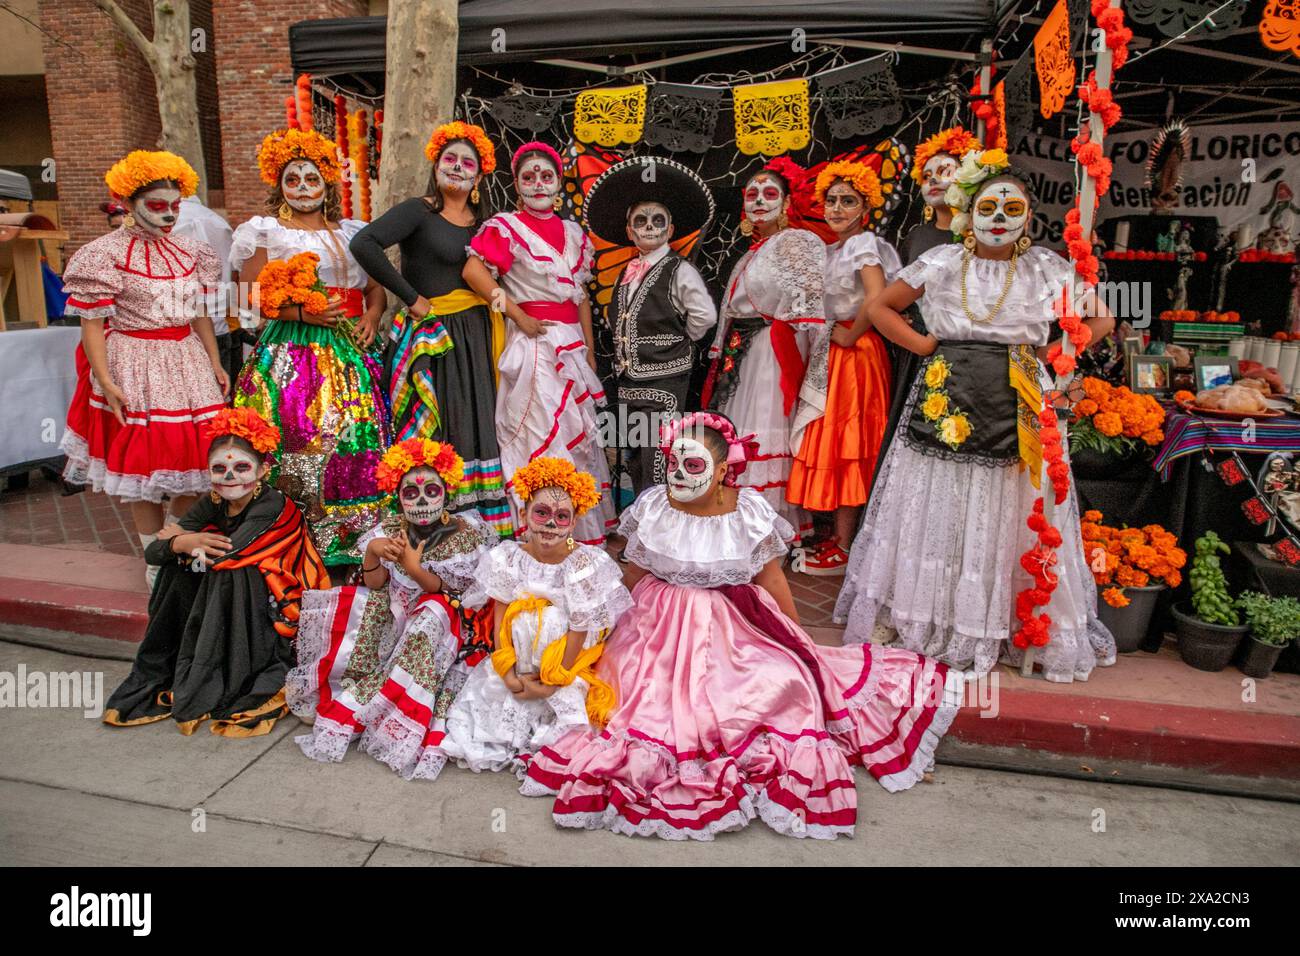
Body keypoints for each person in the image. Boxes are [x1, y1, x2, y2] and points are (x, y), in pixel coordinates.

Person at [521, 412, 960, 840]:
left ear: (721, 471)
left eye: (693, 466)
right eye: (673, 463)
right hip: (656, 626)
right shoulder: (654, 506)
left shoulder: (748, 512)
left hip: (731, 626)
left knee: (783, 682)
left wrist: (798, 636)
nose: (679, 475)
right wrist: (609, 628)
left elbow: (771, 579)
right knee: (639, 700)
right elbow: (634, 574)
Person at [834, 152, 1118, 683]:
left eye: (1012, 208)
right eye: (988, 207)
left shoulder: (1047, 267)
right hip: (948, 388)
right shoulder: (942, 260)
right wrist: (922, 344)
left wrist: (1054, 356)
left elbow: (1100, 318)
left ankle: (997, 621)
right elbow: (880, 308)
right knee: (939, 498)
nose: (999, 218)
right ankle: (929, 614)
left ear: (1029, 216)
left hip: (1021, 393)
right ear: (970, 213)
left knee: (1010, 502)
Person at [59, 150, 228, 587]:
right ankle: (155, 558)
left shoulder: (191, 251)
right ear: (128, 202)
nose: (169, 214)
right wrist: (105, 380)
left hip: (187, 359)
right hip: (134, 361)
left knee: (198, 463)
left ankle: (172, 542)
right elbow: (92, 325)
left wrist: (214, 361)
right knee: (143, 470)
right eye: (157, 205)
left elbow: (199, 313)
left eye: (175, 205)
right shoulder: (103, 254)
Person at [103, 408, 328, 736]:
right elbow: (154, 554)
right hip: (233, 586)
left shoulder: (272, 505)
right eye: (219, 469)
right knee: (179, 568)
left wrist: (182, 541)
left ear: (263, 470)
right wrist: (182, 543)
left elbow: (227, 555)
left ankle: (230, 669)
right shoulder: (214, 500)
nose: (230, 477)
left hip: (281, 602)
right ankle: (195, 660)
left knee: (231, 572)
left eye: (241, 468)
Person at [288, 438, 499, 780]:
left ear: (446, 493)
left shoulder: (463, 534)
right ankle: (366, 692)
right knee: (358, 599)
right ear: (398, 497)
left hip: (445, 619)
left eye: (431, 491)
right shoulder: (389, 529)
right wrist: (373, 552)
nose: (422, 501)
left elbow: (452, 593)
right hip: (396, 616)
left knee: (432, 609)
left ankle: (394, 706)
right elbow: (376, 584)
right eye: (411, 493)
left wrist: (414, 568)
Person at [230, 128, 390, 573]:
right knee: (297, 435)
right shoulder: (264, 232)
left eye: (311, 179)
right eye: (293, 179)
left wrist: (373, 315)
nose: (302, 188)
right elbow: (245, 296)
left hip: (349, 350)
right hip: (291, 353)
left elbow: (375, 288)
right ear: (279, 185)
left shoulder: (353, 233)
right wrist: (300, 313)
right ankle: (288, 537)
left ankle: (352, 539)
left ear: (327, 184)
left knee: (352, 437)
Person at [350, 122, 513, 538]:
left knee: (478, 422)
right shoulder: (418, 211)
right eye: (449, 159)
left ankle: (481, 529)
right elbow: (364, 243)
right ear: (436, 166)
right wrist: (410, 296)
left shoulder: (488, 223)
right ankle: (430, 525)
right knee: (439, 424)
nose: (457, 167)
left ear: (479, 177)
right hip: (432, 336)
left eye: (467, 163)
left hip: (479, 336)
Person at [462, 141, 616, 544]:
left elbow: (580, 297)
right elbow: (474, 273)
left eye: (546, 176)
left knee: (577, 434)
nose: (538, 183)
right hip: (534, 341)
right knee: (540, 429)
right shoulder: (505, 227)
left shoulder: (573, 233)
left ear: (558, 183)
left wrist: (589, 350)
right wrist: (517, 315)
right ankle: (540, 532)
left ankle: (576, 529)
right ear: (516, 184)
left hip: (572, 347)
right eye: (528, 177)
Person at [440, 457, 632, 775]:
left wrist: (553, 683)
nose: (551, 524)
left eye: (562, 517)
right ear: (523, 514)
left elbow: (580, 628)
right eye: (541, 513)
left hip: (563, 667)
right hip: (520, 662)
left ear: (574, 522)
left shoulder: (584, 564)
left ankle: (546, 700)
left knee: (553, 619)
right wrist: (508, 672)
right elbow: (500, 619)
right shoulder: (508, 558)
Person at [702, 158, 826, 542]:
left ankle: (766, 528)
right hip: (744, 349)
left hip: (770, 352)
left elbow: (810, 304)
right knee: (740, 428)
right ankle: (739, 519)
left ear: (786, 203)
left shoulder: (795, 242)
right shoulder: (753, 251)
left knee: (761, 425)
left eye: (769, 193)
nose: (758, 201)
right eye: (752, 194)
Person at [787, 158, 900, 575]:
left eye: (847, 201)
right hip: (833, 350)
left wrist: (851, 336)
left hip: (856, 351)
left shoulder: (864, 245)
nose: (836, 208)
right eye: (831, 200)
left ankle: (846, 545)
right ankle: (837, 538)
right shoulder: (832, 249)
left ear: (865, 207)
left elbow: (877, 297)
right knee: (832, 440)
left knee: (848, 442)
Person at [581, 155, 718, 496]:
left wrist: (677, 343)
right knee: (636, 460)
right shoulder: (625, 274)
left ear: (670, 230)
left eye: (658, 220)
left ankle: (660, 521)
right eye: (640, 220)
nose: (649, 226)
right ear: (630, 231)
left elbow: (705, 316)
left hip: (665, 381)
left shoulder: (678, 269)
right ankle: (639, 519)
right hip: (630, 383)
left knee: (659, 457)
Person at [873, 127, 983, 497]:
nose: (934, 180)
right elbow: (896, 298)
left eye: (945, 172)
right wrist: (914, 335)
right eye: (927, 175)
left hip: (966, 351)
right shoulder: (916, 236)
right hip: (919, 351)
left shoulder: (979, 236)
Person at [172, 193, 241, 391]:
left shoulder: (171, 223)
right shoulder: (217, 220)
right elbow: (234, 273)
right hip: (222, 322)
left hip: (184, 332)